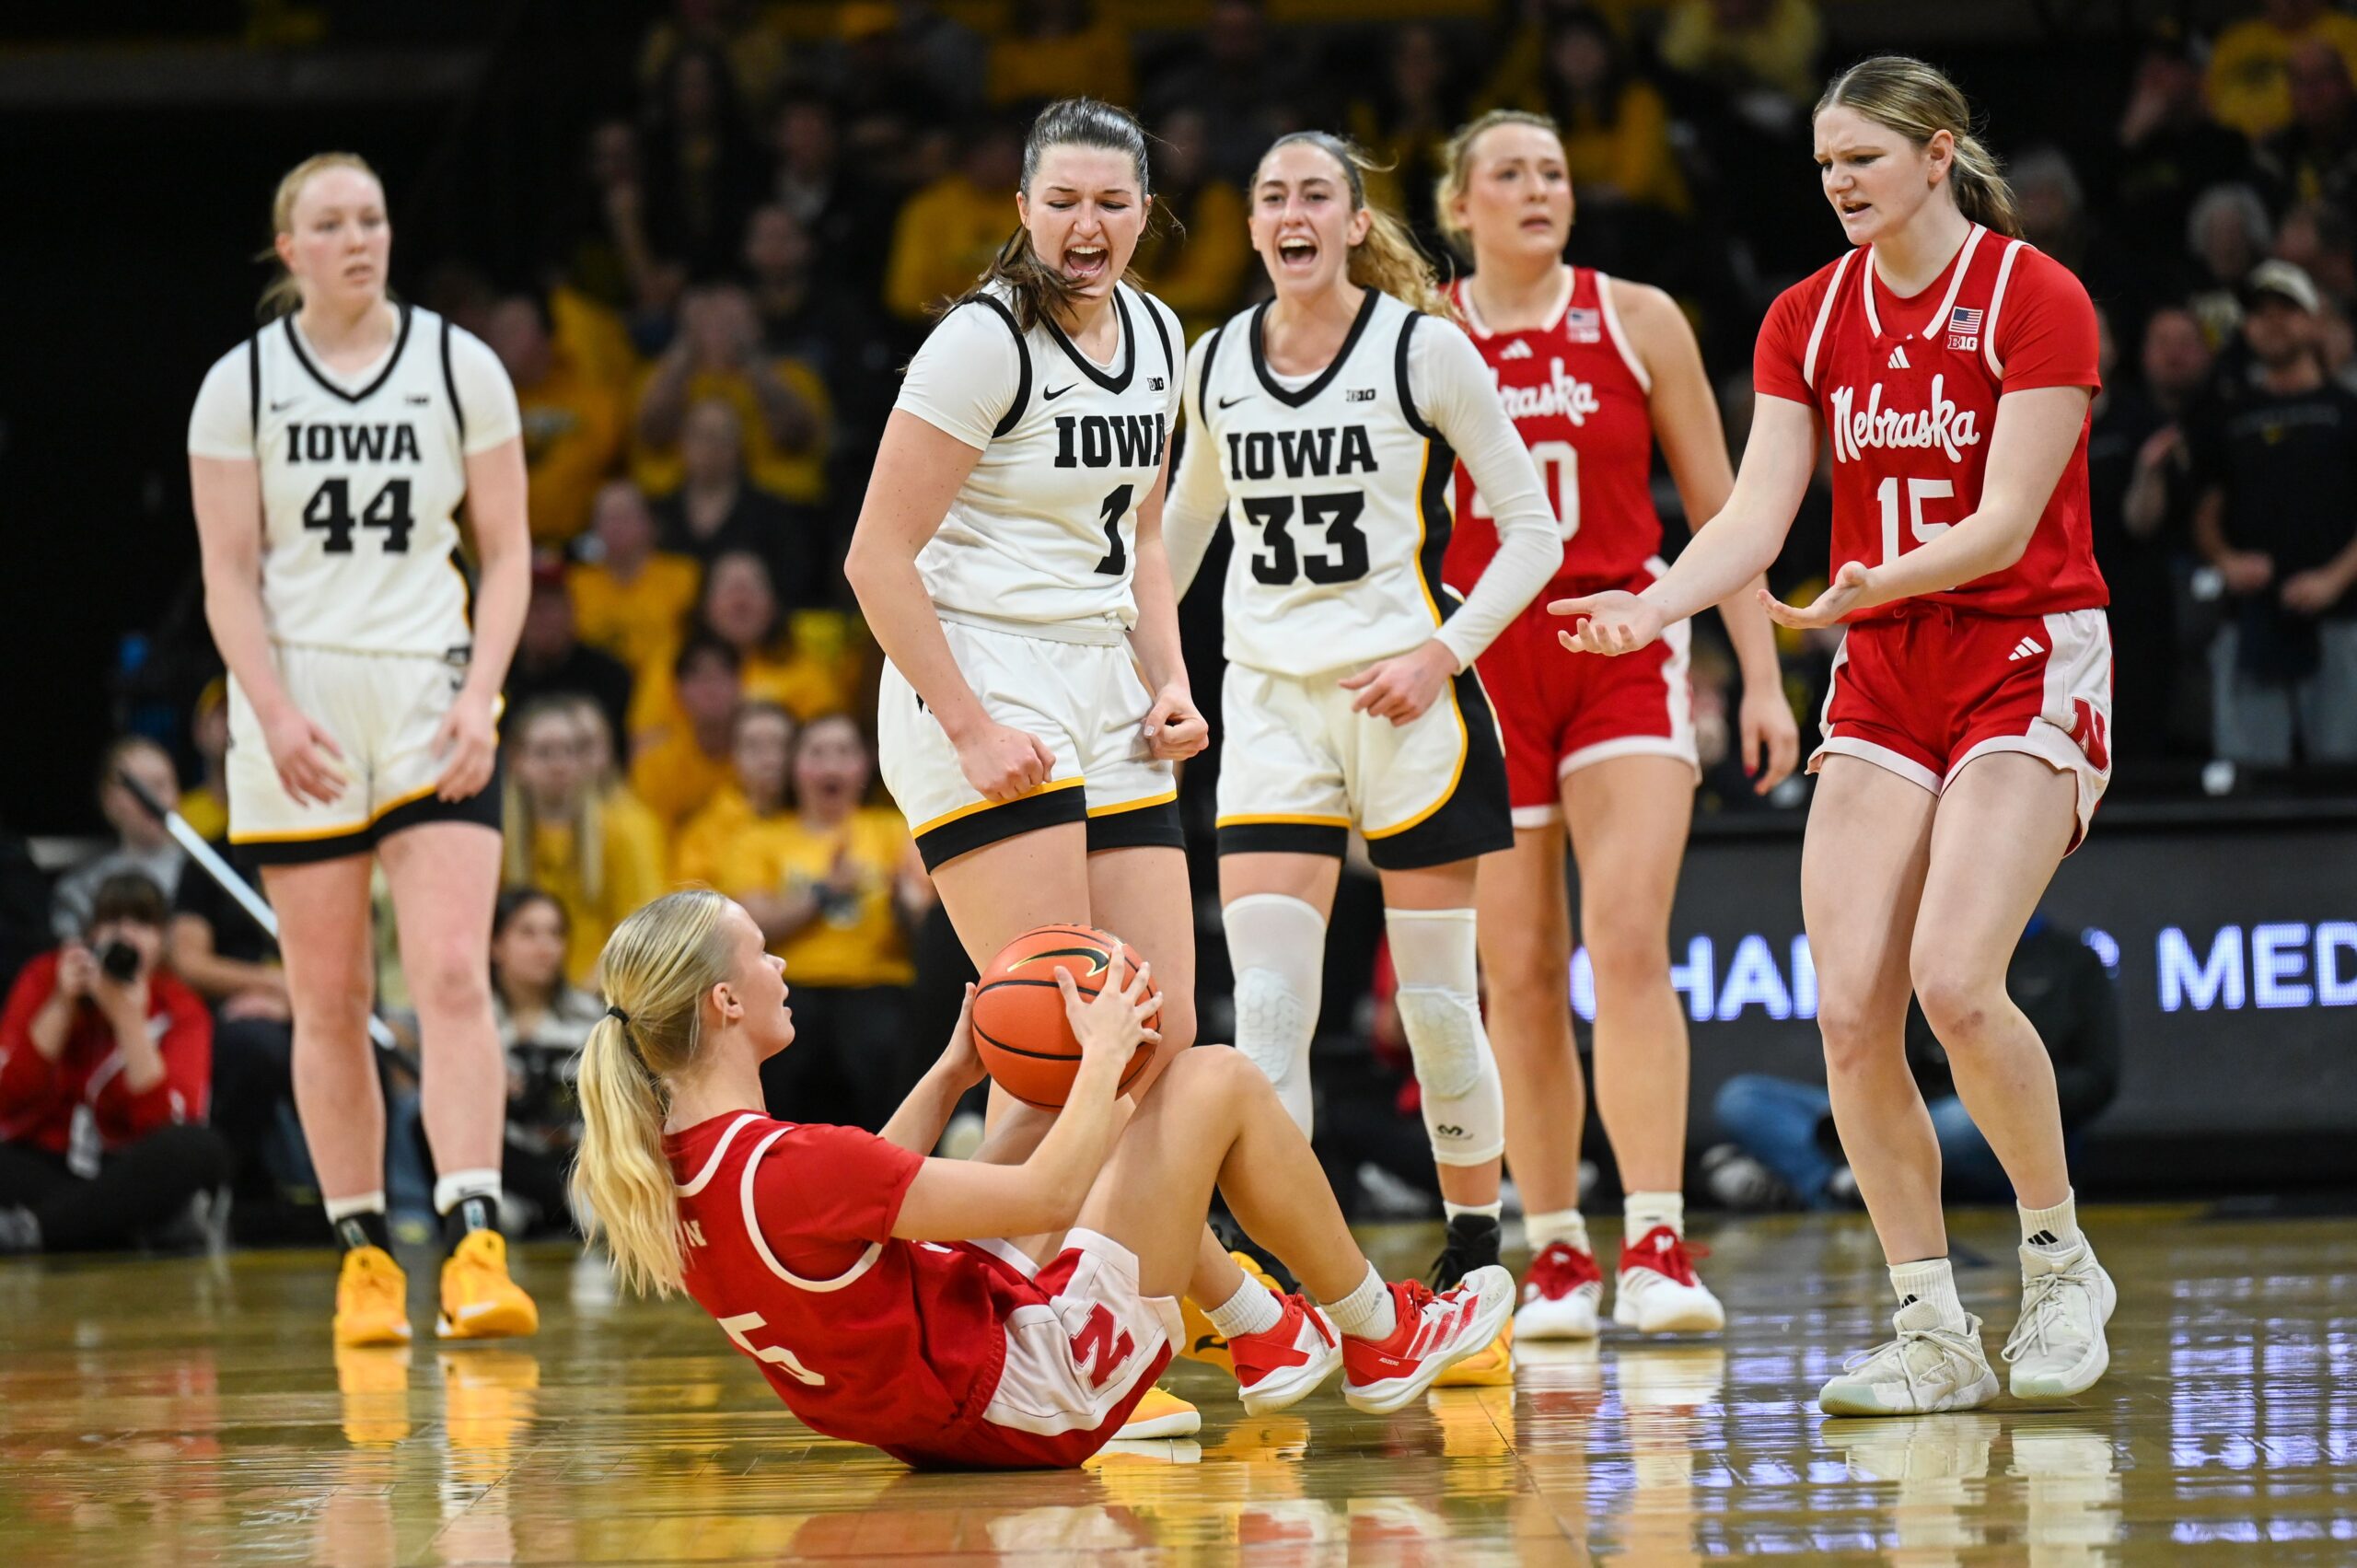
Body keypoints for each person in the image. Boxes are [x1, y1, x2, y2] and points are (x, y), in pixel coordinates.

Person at [1557, 56, 2119, 1415]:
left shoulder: (2034, 296)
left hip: (2025, 648)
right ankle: (1931, 1325)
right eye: (1823, 166)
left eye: (1862, 159)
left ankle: (2059, 1263)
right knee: (1851, 1012)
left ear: (1938, 153)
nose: (1839, 184)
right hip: (1881, 671)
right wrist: (1656, 606)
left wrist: (1883, 575)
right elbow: (1755, 516)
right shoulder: (1808, 318)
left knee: (1956, 980)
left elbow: (2003, 518)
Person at [567, 889, 1515, 1468]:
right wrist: (1105, 1058)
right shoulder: (794, 1164)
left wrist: (949, 1075)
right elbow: (1049, 1198)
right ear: (725, 1002)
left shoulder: (679, 1167)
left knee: (1030, 1100)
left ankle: (1264, 1333)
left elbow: (862, 1205)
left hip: (939, 1406)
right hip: (1030, 1391)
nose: (780, 962)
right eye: (759, 950)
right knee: (1205, 1077)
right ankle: (1376, 1331)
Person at [843, 98, 1216, 1437]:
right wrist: (970, 725)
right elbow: (875, 557)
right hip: (980, 679)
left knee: (1157, 1033)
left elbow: (1149, 541)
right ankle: (960, 1292)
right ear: (1021, 207)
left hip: (1102, 679)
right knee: (1057, 1053)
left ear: (1145, 212)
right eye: (1062, 200)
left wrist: (1170, 683)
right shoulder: (977, 344)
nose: (1087, 225)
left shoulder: (1165, 334)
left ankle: (1068, 1305)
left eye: (1113, 203)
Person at [1161, 130, 1562, 1323]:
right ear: (1253, 226)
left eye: (1316, 194)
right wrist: (1144, 667)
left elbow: (1532, 530)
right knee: (1272, 1009)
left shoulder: (1424, 348)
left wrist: (1441, 652)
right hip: (1271, 701)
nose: (1293, 211)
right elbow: (1175, 537)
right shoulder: (1214, 358)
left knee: (1438, 1007)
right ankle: (1292, 1275)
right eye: (1272, 193)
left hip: (1412, 702)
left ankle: (1477, 1247)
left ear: (1350, 222)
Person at [1430, 109, 1800, 1342]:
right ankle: (1555, 1252)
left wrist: (1760, 678)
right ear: (1461, 205)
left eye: (1554, 171)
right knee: (1519, 971)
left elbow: (1724, 512)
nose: (1538, 188)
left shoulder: (1639, 319)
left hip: (1622, 646)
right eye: (1510, 173)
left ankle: (1655, 1235)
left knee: (1627, 935)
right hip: (1486, 668)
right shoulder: (1426, 332)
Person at [186, 153, 538, 1346]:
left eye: (374, 217)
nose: (358, 238)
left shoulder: (459, 364)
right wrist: (273, 711)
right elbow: (227, 573)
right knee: (326, 995)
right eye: (330, 223)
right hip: (301, 695)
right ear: (289, 249)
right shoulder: (239, 386)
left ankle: (477, 1240)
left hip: (428, 685)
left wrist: (481, 698)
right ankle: (363, 1256)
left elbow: (510, 556)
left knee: (448, 972)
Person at [1714, 912, 2120, 1208]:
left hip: (1990, 1123)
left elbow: (2098, 1080)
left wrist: (2012, 1086)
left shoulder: (2072, 960)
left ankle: (1852, 1180)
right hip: (1910, 1109)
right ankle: (1843, 1184)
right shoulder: (1929, 954)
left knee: (1969, 1118)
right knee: (1742, 1098)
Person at [0, 873, 231, 1254]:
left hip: (129, 1169)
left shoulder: (180, 1005)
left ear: (162, 941)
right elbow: (10, 1098)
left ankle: (37, 1229)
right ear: (91, 933)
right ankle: (126, 1227)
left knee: (200, 1148)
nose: (125, 935)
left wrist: (128, 1020)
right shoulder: (46, 976)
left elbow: (168, 1124)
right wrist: (61, 1005)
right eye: (111, 921)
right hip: (48, 1162)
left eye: (142, 923)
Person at [723, 714, 932, 1130]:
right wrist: (824, 893)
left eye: (844, 752)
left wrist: (904, 901)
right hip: (788, 988)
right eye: (817, 753)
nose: (831, 766)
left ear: (866, 764)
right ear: (795, 766)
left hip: (877, 986)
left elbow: (924, 919)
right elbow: (751, 921)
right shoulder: (758, 839)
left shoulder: (894, 830)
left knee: (882, 1044)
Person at [2187, 260, 2357, 764]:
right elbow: (2206, 511)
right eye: (2260, 312)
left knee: (2344, 780)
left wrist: (2332, 579)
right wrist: (2227, 562)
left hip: (2341, 618)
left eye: (2288, 308)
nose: (2273, 321)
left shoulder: (2347, 411)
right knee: (2250, 782)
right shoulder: (2227, 415)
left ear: (2315, 320)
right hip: (2253, 621)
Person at [501, 701, 670, 986]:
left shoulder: (623, 831)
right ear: (517, 760)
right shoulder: (498, 839)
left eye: (570, 751)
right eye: (544, 753)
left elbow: (645, 930)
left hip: (603, 994)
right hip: (514, 997)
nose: (559, 764)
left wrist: (586, 993)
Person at [487, 889, 604, 1236]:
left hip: (576, 1154)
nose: (546, 946)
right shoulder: (473, 1022)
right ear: (495, 945)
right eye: (528, 933)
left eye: (555, 934)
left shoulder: (592, 1016)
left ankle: (565, 1202)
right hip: (508, 1161)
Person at [482, 293, 625, 548]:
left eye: (514, 329)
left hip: (575, 547)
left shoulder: (593, 401)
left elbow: (590, 466)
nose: (502, 339)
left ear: (545, 335)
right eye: (497, 331)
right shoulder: (478, 405)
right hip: (497, 549)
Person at [52, 738, 190, 942]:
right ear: (108, 799)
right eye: (139, 789)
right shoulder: (81, 888)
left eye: (161, 785)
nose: (151, 800)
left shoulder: (207, 878)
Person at [568, 480, 704, 676]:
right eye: (607, 518)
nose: (616, 526)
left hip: (664, 688)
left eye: (624, 516)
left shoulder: (684, 576)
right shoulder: (576, 583)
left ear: (649, 522)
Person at [505, 560, 635, 750]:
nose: (542, 618)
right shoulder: (496, 677)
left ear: (571, 610)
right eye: (533, 606)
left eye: (551, 606)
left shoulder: (609, 675)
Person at [629, 634, 745, 831]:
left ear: (740, 685)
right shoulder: (655, 760)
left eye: (721, 676)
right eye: (700, 679)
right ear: (679, 691)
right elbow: (653, 837)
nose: (711, 689)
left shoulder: (759, 751)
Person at [676, 701, 794, 887]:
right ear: (734, 756)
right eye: (753, 747)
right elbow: (688, 907)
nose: (769, 759)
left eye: (780, 745)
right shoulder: (703, 834)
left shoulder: (822, 821)